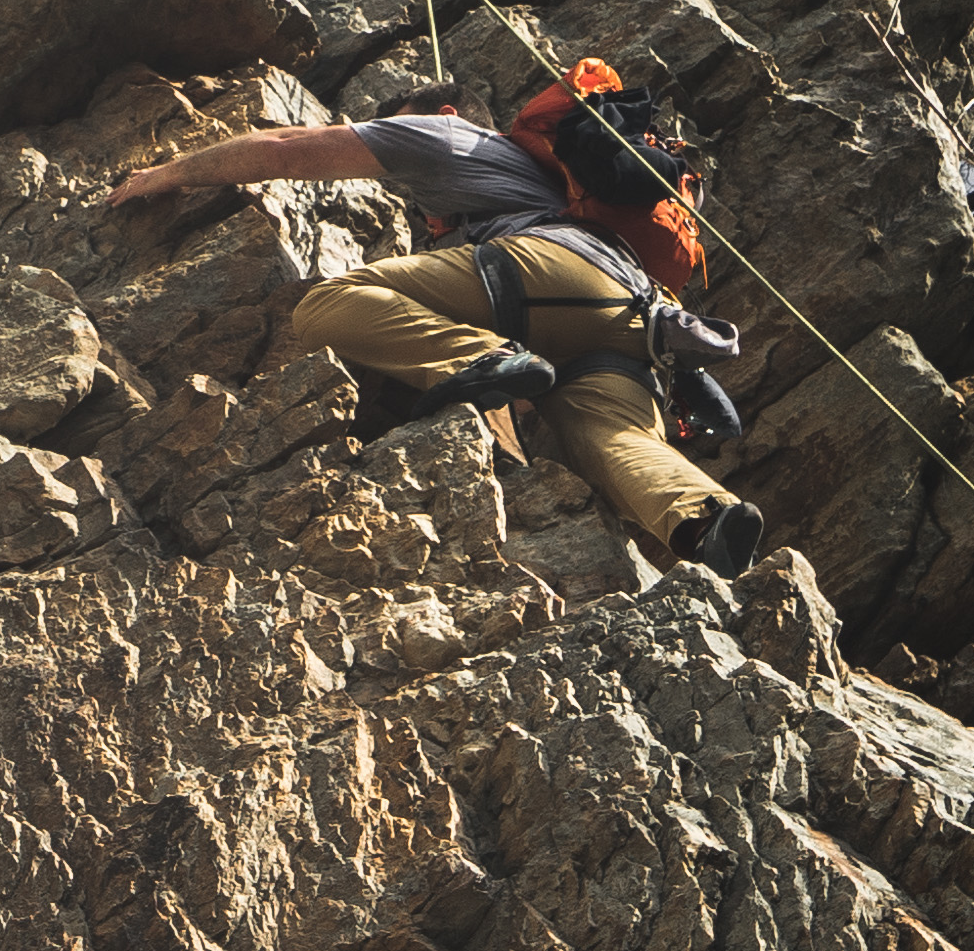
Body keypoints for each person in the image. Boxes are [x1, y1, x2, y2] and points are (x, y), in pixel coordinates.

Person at [105, 66, 765, 576]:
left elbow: (287, 148)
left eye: (393, 122)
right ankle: (706, 517)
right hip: (637, 322)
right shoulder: (528, 185)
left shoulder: (445, 132)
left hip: (545, 274)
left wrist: (169, 172)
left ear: (441, 114)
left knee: (326, 306)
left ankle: (475, 358)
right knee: (616, 442)